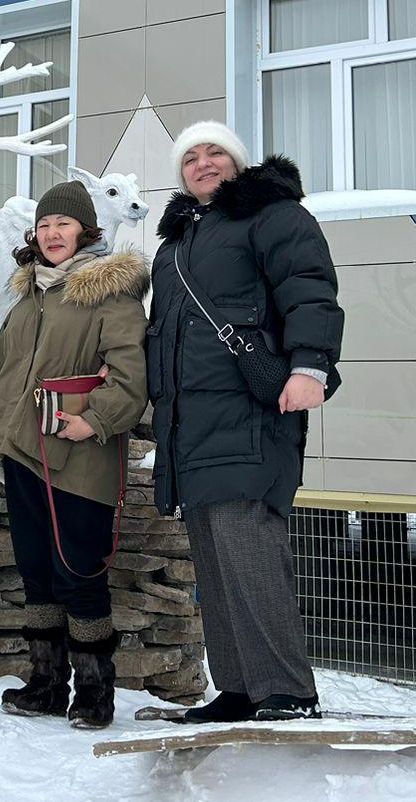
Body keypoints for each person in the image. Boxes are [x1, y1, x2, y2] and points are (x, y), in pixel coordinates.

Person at [147, 121, 344, 722]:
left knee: (250, 548)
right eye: (190, 158)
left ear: (236, 162)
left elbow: (308, 290)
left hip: (251, 412)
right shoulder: (177, 242)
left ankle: (286, 689)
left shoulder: (275, 216)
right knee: (212, 554)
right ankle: (237, 687)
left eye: (215, 153)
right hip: (191, 421)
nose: (202, 164)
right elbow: (166, 333)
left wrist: (311, 365)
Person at [0, 181, 149, 730]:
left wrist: (92, 420)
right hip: (25, 452)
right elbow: (1, 369)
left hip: (80, 457)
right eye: (45, 225)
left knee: (78, 573)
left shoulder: (109, 293)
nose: (52, 233)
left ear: (85, 232)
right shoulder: (29, 295)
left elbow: (130, 375)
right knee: (37, 573)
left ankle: (95, 693)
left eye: (64, 224)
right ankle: (46, 684)